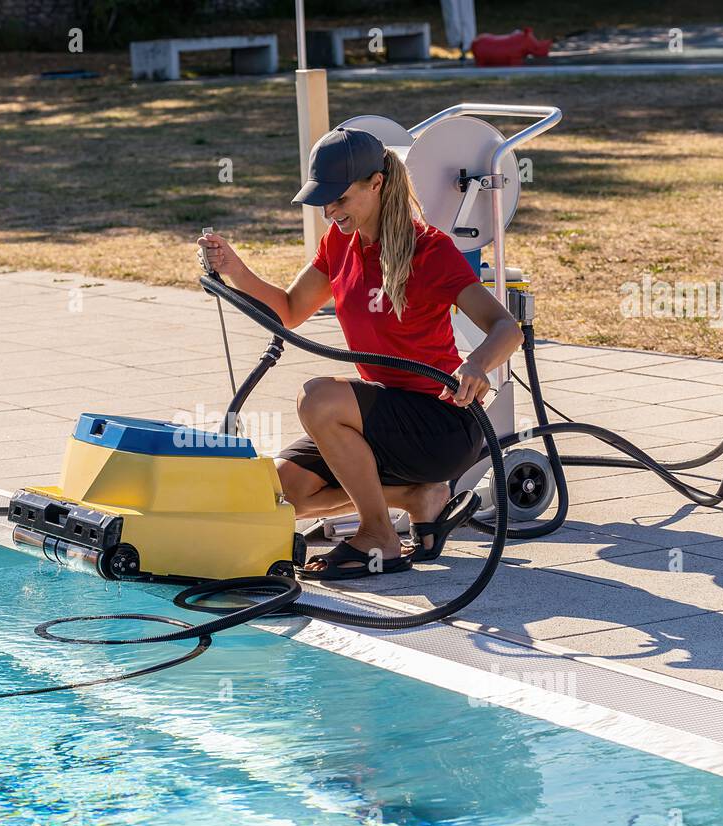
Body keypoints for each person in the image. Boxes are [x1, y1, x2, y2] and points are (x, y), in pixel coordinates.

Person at [196, 126, 522, 580]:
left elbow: (506, 328)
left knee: (318, 398)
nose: (330, 211)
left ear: (376, 183)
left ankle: (378, 537)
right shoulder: (339, 243)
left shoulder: (430, 250)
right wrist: (235, 270)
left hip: (441, 423)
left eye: (340, 199)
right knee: (277, 494)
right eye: (324, 200)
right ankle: (418, 498)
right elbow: (290, 311)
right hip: (381, 418)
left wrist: (478, 363)